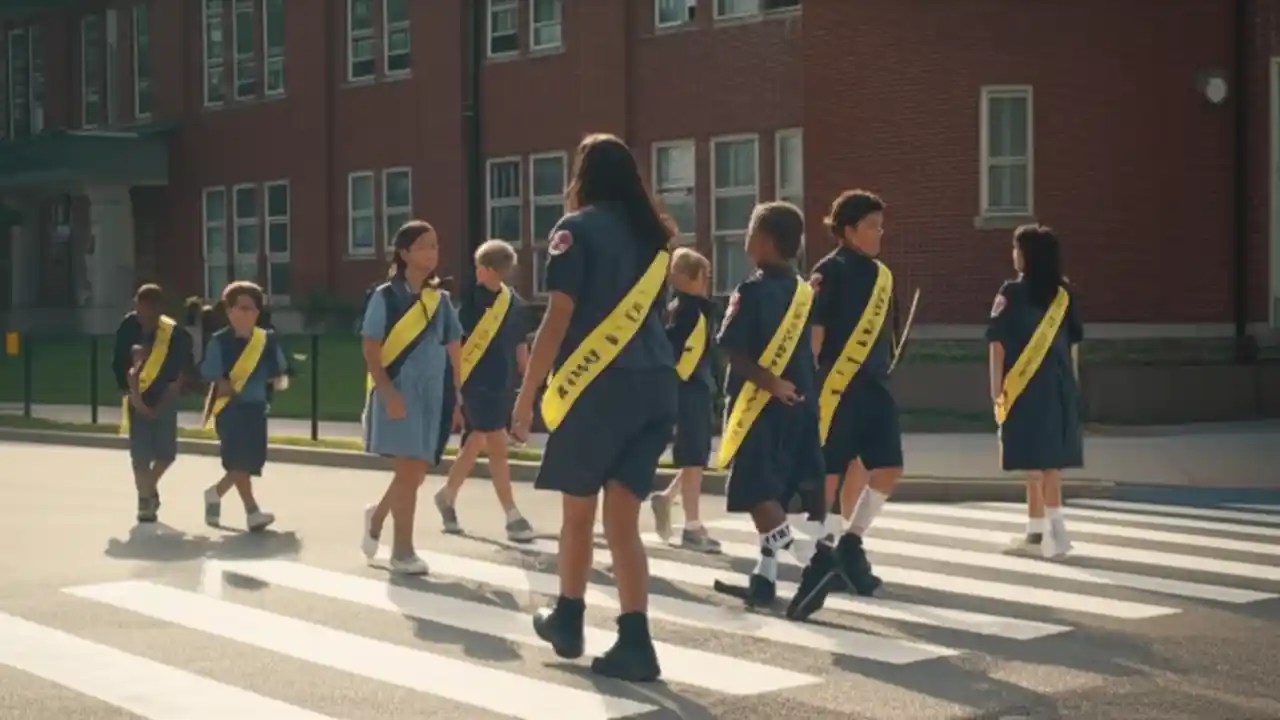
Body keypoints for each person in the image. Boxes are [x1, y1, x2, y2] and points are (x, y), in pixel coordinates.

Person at [511, 133, 677, 682]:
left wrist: (528, 392)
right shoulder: (657, 238)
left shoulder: (574, 231)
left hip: (598, 389)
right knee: (623, 522)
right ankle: (635, 640)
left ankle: (569, 617)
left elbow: (558, 317)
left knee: (578, 515)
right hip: (655, 383)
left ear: (581, 176)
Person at [710, 201, 838, 621]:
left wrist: (769, 383)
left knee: (756, 492)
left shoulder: (752, 290)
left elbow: (733, 350)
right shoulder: (803, 290)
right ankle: (765, 575)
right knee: (780, 488)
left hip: (759, 407)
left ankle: (810, 563)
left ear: (761, 241)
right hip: (800, 402)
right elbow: (814, 344)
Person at [801, 190, 902, 608]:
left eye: (881, 225)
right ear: (848, 229)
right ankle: (821, 552)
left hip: (873, 384)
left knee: (889, 466)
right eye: (872, 226)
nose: (880, 233)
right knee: (830, 469)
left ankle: (851, 540)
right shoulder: (829, 271)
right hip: (835, 386)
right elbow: (815, 334)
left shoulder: (882, 276)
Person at [360, 220, 464, 575]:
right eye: (423, 246)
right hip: (400, 391)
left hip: (433, 395)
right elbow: (371, 348)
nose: (431, 252)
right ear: (404, 253)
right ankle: (402, 551)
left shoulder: (441, 300)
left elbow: (454, 347)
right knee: (408, 469)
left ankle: (377, 516)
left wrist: (458, 397)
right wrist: (387, 392)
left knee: (415, 473)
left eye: (435, 245)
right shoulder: (385, 297)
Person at [987, 223, 1084, 559]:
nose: (1013, 254)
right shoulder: (1065, 294)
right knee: (1045, 461)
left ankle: (1055, 534)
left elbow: (997, 344)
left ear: (1028, 255)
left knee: (1037, 463)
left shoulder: (1011, 293)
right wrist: (1074, 386)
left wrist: (995, 387)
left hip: (1024, 386)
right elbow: (1073, 347)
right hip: (1058, 386)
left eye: (1017, 248)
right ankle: (1036, 531)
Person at [434, 239, 536, 542]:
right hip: (475, 383)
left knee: (476, 441)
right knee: (496, 445)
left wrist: (528, 386)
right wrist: (455, 388)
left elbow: (520, 347)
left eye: (479, 266)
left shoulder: (514, 304)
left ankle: (447, 495)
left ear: (491, 271)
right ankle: (512, 515)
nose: (475, 271)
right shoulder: (469, 303)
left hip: (501, 383)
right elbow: (456, 345)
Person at [200, 281, 290, 533]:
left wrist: (276, 377)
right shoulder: (219, 341)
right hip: (229, 408)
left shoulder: (266, 340)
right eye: (241, 308)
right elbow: (210, 371)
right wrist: (224, 383)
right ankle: (252, 512)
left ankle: (214, 493)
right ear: (229, 311)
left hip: (256, 406)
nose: (246, 313)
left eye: (251, 309)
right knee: (238, 460)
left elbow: (280, 370)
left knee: (249, 461)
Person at [649, 246, 720, 553]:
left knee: (697, 456)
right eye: (706, 275)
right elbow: (676, 353)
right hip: (689, 389)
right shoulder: (692, 310)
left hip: (693, 387)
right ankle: (692, 527)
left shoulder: (679, 307)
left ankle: (666, 498)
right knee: (693, 456)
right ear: (697, 277)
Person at [111, 283, 192, 524]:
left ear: (158, 309)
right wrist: (134, 398)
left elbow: (179, 374)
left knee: (166, 454)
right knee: (140, 456)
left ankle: (148, 488)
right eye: (138, 307)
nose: (141, 314)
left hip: (165, 397)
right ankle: (145, 503)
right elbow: (118, 361)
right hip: (137, 397)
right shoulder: (128, 326)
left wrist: (160, 405)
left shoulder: (174, 334)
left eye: (146, 309)